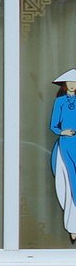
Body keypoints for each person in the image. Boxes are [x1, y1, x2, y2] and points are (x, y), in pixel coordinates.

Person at [50, 69, 76, 243]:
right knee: (67, 183)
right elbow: (53, 125)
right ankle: (72, 225)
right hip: (65, 145)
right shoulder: (60, 102)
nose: (73, 85)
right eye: (70, 82)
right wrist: (63, 132)